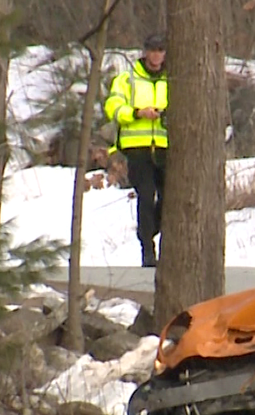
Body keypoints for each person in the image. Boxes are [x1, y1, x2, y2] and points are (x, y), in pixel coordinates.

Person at [105, 33, 169, 267]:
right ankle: (148, 250)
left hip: (164, 147)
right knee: (146, 194)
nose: (156, 55)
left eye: (161, 50)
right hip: (137, 148)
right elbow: (113, 107)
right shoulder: (127, 79)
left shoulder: (171, 79)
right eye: (153, 50)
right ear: (145, 52)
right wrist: (137, 113)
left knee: (167, 196)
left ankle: (150, 231)